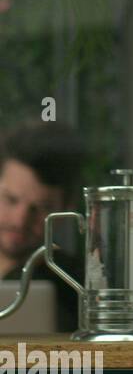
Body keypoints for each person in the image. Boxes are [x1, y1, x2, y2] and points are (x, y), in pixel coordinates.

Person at [0, 120, 85, 333]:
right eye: (11, 200)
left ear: (67, 208)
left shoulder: (74, 285)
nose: (20, 220)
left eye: (40, 208)